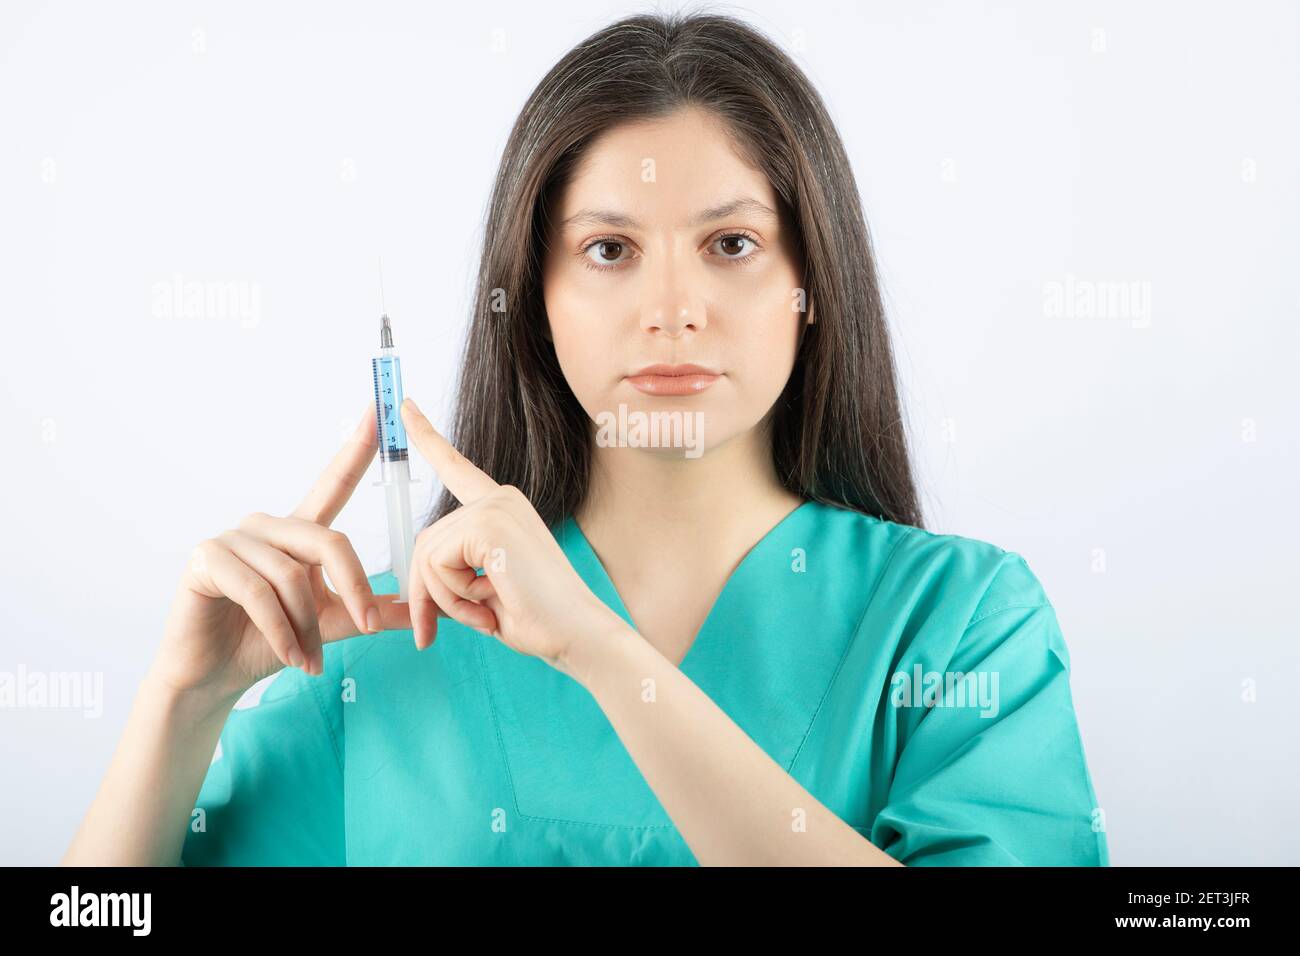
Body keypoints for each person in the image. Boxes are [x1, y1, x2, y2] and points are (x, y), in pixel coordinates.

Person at [63, 11, 1108, 866]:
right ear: (530, 295)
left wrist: (608, 658)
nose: (671, 305)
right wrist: (179, 705)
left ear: (810, 285)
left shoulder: (963, 623)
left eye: (731, 243)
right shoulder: (384, 648)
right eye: (608, 248)